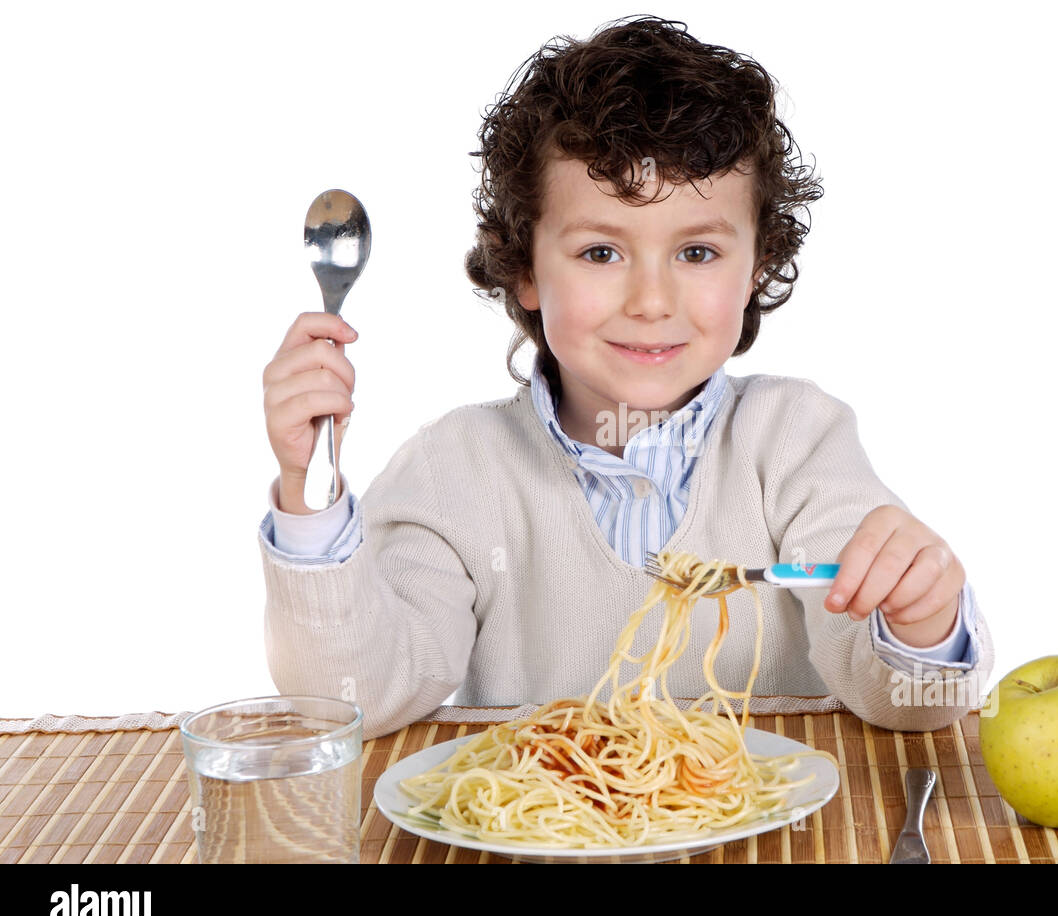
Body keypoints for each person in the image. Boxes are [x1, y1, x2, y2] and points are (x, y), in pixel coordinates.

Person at [259, 16, 993, 740]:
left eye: (697, 254)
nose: (651, 302)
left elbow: (908, 702)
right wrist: (309, 494)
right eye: (602, 254)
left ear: (756, 268)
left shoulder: (798, 441)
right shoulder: (456, 470)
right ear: (524, 268)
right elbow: (354, 700)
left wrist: (921, 621)